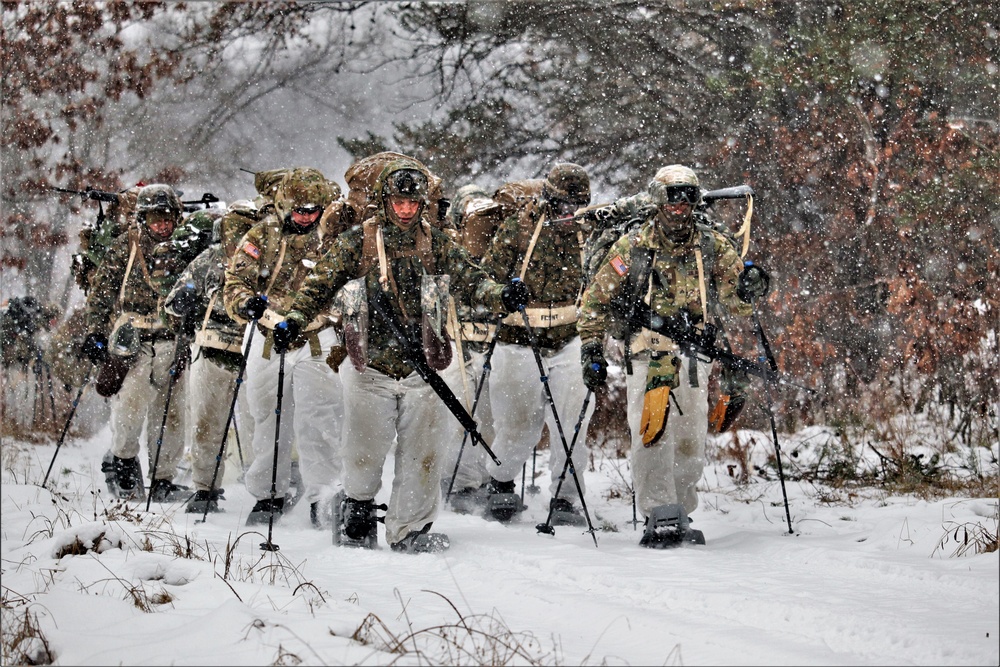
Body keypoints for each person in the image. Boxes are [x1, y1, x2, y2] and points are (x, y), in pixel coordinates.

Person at [281, 156, 529, 553]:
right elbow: (319, 283)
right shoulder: (358, 242)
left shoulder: (436, 243)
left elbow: (471, 279)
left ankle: (410, 529)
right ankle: (357, 508)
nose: (406, 210)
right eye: (399, 202)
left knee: (423, 455)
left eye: (413, 203)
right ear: (384, 201)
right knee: (363, 452)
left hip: (423, 367)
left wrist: (502, 296)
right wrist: (294, 320)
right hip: (369, 365)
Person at [576, 164, 769, 548]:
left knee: (690, 436)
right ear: (656, 201)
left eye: (686, 198)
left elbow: (737, 304)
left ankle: (681, 508)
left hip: (696, 354)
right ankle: (658, 511)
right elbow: (595, 302)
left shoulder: (712, 245)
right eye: (671, 198)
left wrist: (751, 287)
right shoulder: (633, 245)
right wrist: (591, 350)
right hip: (646, 351)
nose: (678, 206)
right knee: (651, 432)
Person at [223, 167, 347, 527]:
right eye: (299, 210)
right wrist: (246, 303)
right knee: (268, 418)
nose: (306, 217)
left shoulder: (333, 237)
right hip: (268, 335)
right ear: (284, 205)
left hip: (316, 336)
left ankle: (323, 495)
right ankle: (269, 493)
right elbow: (236, 279)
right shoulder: (262, 234)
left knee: (319, 418)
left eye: (313, 210)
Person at [477, 163, 596, 525]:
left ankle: (565, 498)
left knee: (573, 422)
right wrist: (503, 293)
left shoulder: (590, 233)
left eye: (576, 205)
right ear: (549, 200)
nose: (569, 213)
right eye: (562, 204)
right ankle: (500, 481)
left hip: (569, 336)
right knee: (519, 424)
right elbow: (484, 279)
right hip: (518, 338)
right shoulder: (520, 227)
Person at [80, 183, 192, 502]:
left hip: (173, 337)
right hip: (133, 338)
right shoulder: (126, 245)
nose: (163, 225)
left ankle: (163, 478)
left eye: (168, 218)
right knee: (129, 405)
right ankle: (125, 464)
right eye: (156, 218)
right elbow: (101, 291)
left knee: (171, 412)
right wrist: (94, 332)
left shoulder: (186, 246)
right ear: (143, 219)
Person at [163, 217, 244, 514]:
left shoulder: (270, 258)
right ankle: (204, 488)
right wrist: (183, 301)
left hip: (255, 349)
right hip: (212, 347)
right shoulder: (210, 259)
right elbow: (172, 303)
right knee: (206, 423)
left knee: (259, 428)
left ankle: (271, 491)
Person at [439, 184, 506, 512]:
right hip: (457, 343)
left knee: (489, 416)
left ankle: (485, 478)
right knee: (462, 414)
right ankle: (460, 482)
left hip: (490, 343)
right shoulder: (447, 246)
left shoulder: (501, 248)